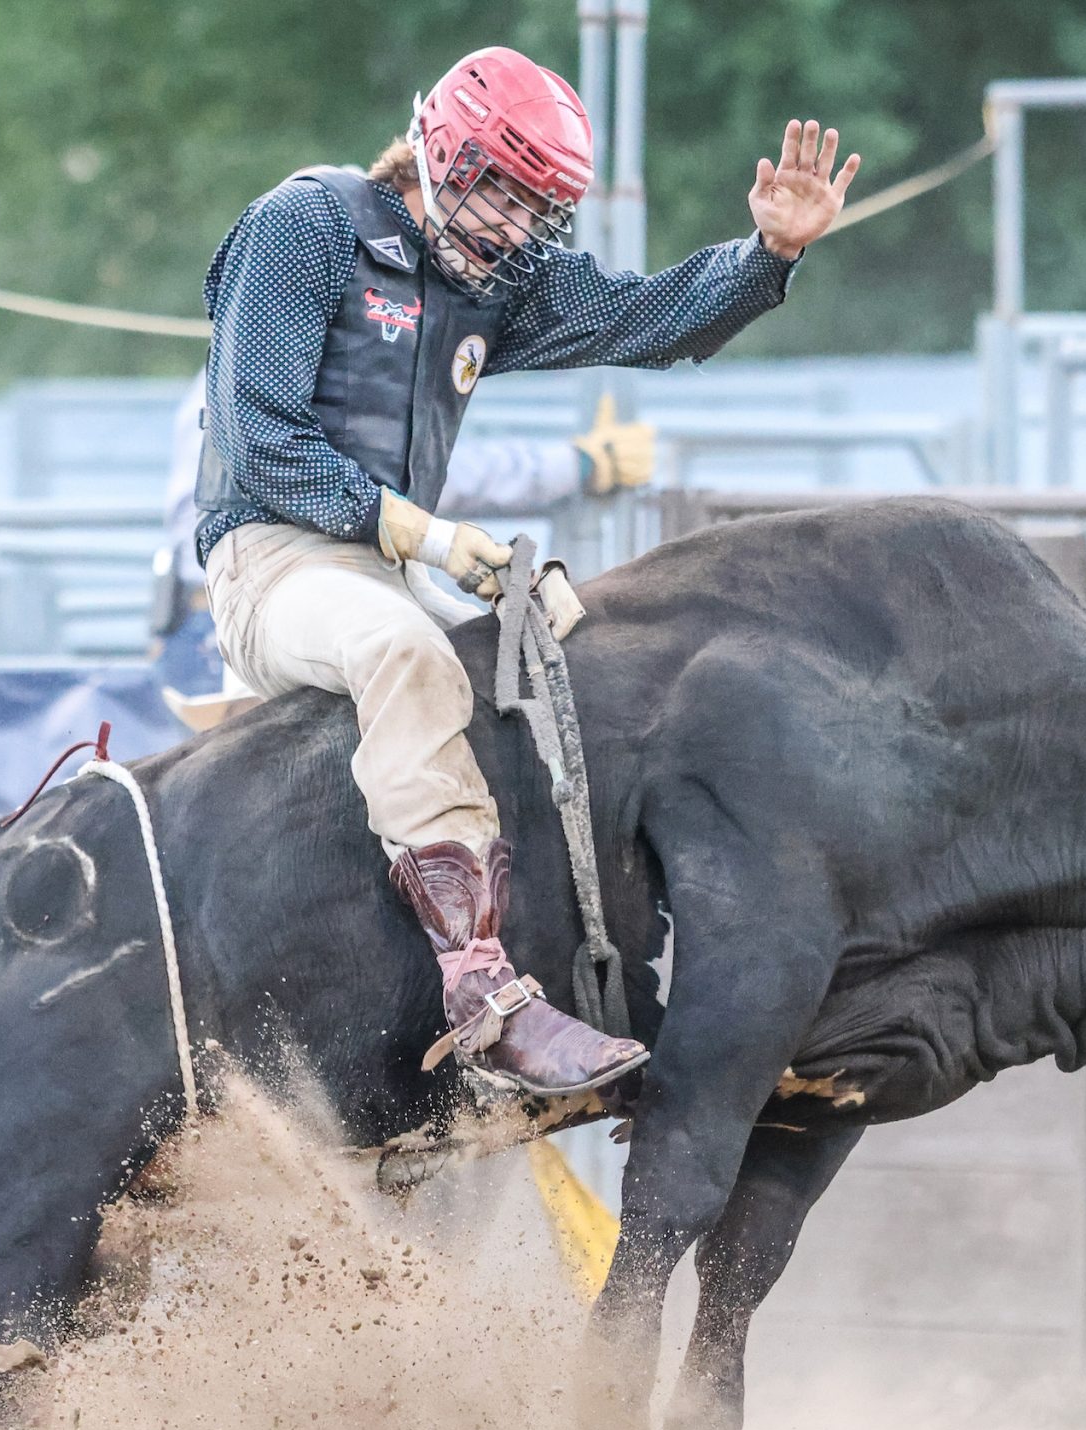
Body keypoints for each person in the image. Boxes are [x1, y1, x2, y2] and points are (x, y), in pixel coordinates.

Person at [197, 47, 855, 1102]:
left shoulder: (492, 280)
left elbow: (644, 320)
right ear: (442, 152)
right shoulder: (305, 224)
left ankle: (586, 962)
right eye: (502, 190)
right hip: (269, 558)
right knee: (403, 652)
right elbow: (260, 441)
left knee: (560, 654)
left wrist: (765, 255)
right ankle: (480, 997)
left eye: (539, 209)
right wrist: (425, 535)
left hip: (387, 563)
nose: (515, 227)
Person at [150, 367, 654, 704]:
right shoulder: (295, 362)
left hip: (218, 616)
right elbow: (409, 480)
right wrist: (571, 465)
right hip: (229, 621)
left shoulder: (283, 354)